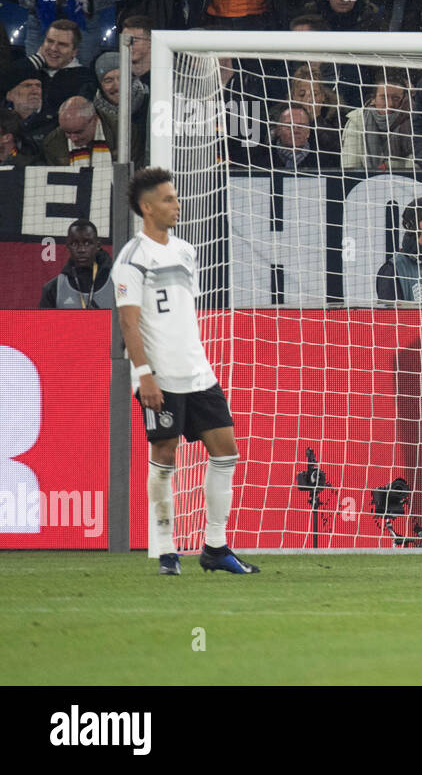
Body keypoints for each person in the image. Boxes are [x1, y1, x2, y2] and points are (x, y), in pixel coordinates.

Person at [112, 167, 259, 575]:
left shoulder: (186, 251)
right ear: (146, 207)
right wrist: (144, 374)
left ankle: (214, 546)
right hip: (160, 376)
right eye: (168, 199)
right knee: (164, 455)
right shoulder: (131, 258)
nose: (177, 205)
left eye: (176, 198)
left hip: (198, 372)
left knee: (226, 452)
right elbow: (128, 323)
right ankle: (166, 551)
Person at [39, 218, 114, 308]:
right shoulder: (53, 288)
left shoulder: (118, 282)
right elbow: (44, 322)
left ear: (98, 245)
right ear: (67, 246)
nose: (81, 249)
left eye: (87, 243)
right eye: (74, 244)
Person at [43, 93, 115, 166]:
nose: (73, 138)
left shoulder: (121, 132)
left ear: (94, 120)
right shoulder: (52, 143)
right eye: (68, 132)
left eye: (78, 132)